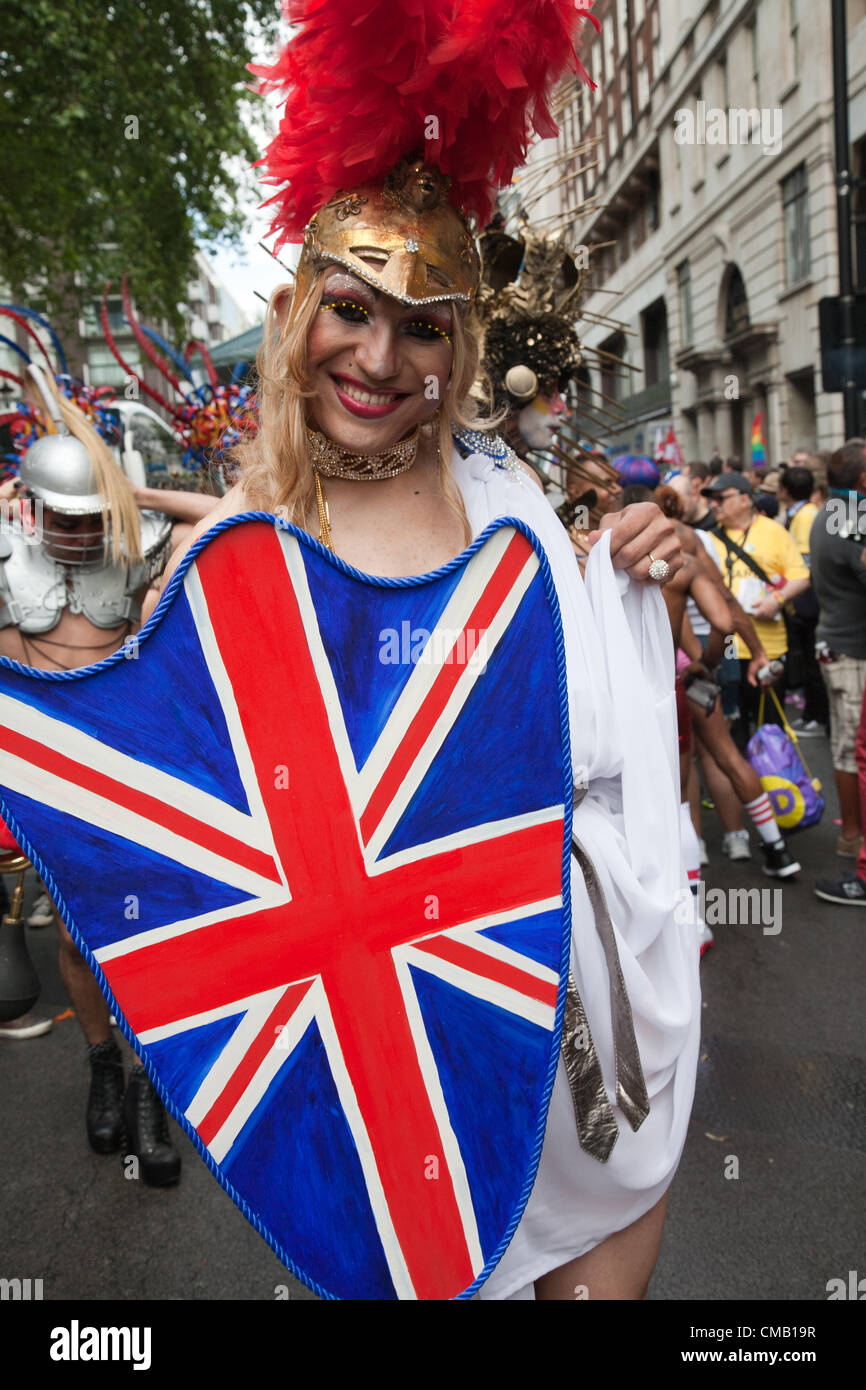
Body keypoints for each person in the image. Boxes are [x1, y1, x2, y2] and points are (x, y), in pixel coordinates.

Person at [136, 0, 697, 1302]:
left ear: (462, 351)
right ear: (298, 318)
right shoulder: (242, 547)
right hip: (401, 1050)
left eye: (425, 325)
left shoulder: (506, 493)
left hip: (572, 993)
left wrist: (644, 585)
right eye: (350, 310)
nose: (378, 357)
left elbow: (581, 734)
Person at [0, 366, 181, 1185]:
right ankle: (103, 1065)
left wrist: (141, 501)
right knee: (74, 935)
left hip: (123, 771)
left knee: (141, 935)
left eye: (91, 516)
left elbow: (232, 514)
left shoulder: (134, 552)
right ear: (33, 508)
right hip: (37, 781)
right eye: (65, 517)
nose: (80, 533)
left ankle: (150, 1087)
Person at [702, 472, 810, 752]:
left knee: (771, 730)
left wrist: (777, 600)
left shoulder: (774, 532)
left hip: (768, 646)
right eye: (711, 500)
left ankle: (776, 789)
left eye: (720, 499)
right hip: (726, 648)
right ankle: (744, 792)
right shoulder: (708, 539)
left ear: (745, 499)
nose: (714, 505)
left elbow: (801, 576)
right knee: (732, 729)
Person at [809, 440, 866, 861]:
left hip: (841, 643)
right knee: (850, 747)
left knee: (848, 745)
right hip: (849, 651)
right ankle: (853, 836)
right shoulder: (849, 515)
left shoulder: (834, 511)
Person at [778, 464, 827, 737]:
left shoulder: (806, 515)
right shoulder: (800, 513)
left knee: (812, 660)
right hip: (801, 600)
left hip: (808, 601)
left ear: (785, 490)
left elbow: (806, 562)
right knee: (808, 660)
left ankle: (816, 716)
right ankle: (812, 712)